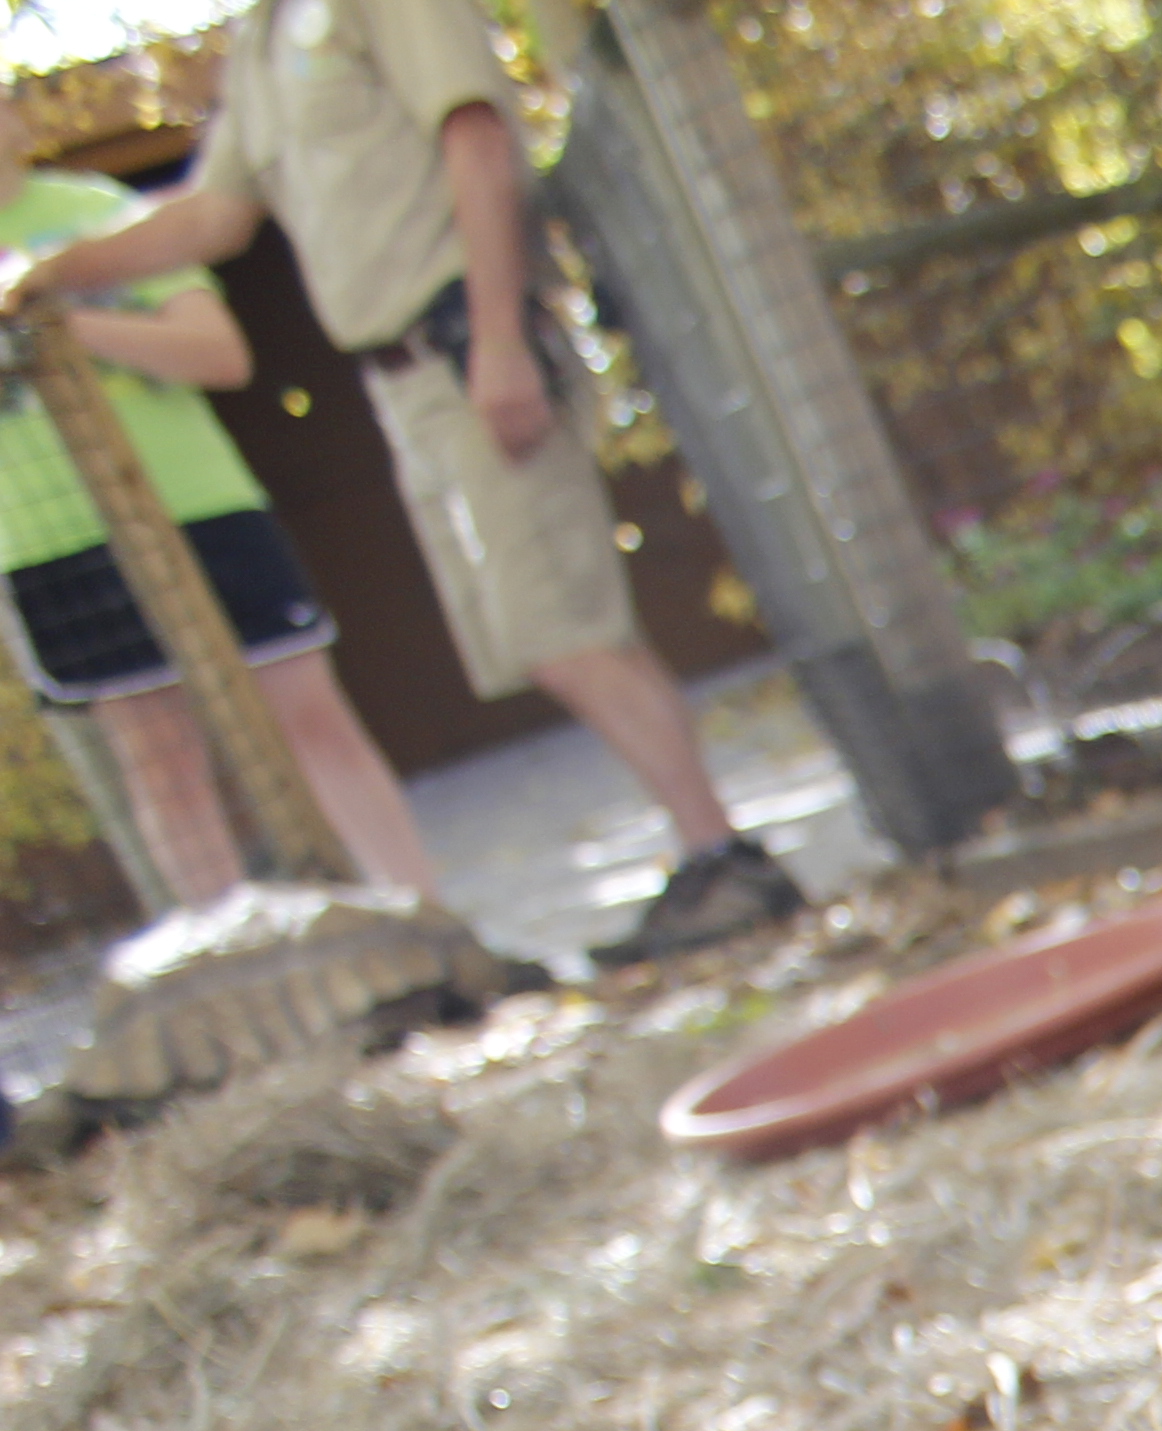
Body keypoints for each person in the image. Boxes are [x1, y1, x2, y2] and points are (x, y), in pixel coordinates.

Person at [0, 0, 801, 966]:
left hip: (467, 338)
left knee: (565, 630)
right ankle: (705, 859)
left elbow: (474, 137)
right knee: (536, 633)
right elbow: (212, 214)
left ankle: (722, 857)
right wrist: (45, 277)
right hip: (398, 377)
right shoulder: (260, 40)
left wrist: (499, 335)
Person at [0, 104, 441, 909]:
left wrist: (60, 324)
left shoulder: (95, 216)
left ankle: (422, 913)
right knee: (159, 758)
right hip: (49, 542)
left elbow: (219, 354)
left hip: (195, 503)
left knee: (308, 718)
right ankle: (233, 961)